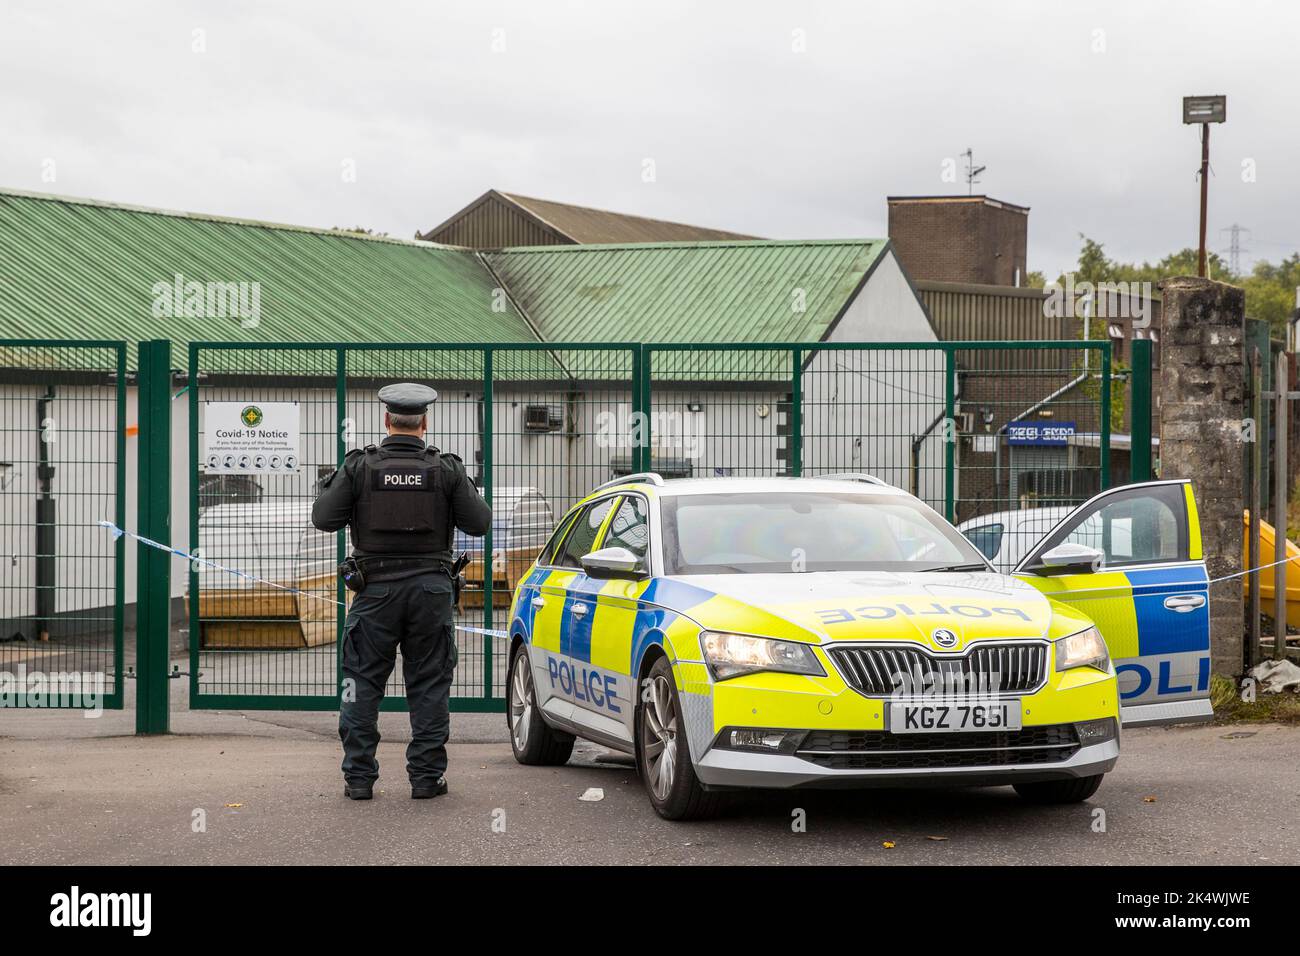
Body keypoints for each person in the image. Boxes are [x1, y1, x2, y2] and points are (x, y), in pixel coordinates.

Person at [311, 383, 492, 800]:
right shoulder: (445, 469)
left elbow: (324, 518)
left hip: (374, 591)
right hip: (430, 591)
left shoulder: (360, 466)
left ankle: (358, 779)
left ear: (386, 421)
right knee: (429, 685)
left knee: (360, 684)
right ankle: (426, 779)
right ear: (424, 424)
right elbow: (479, 523)